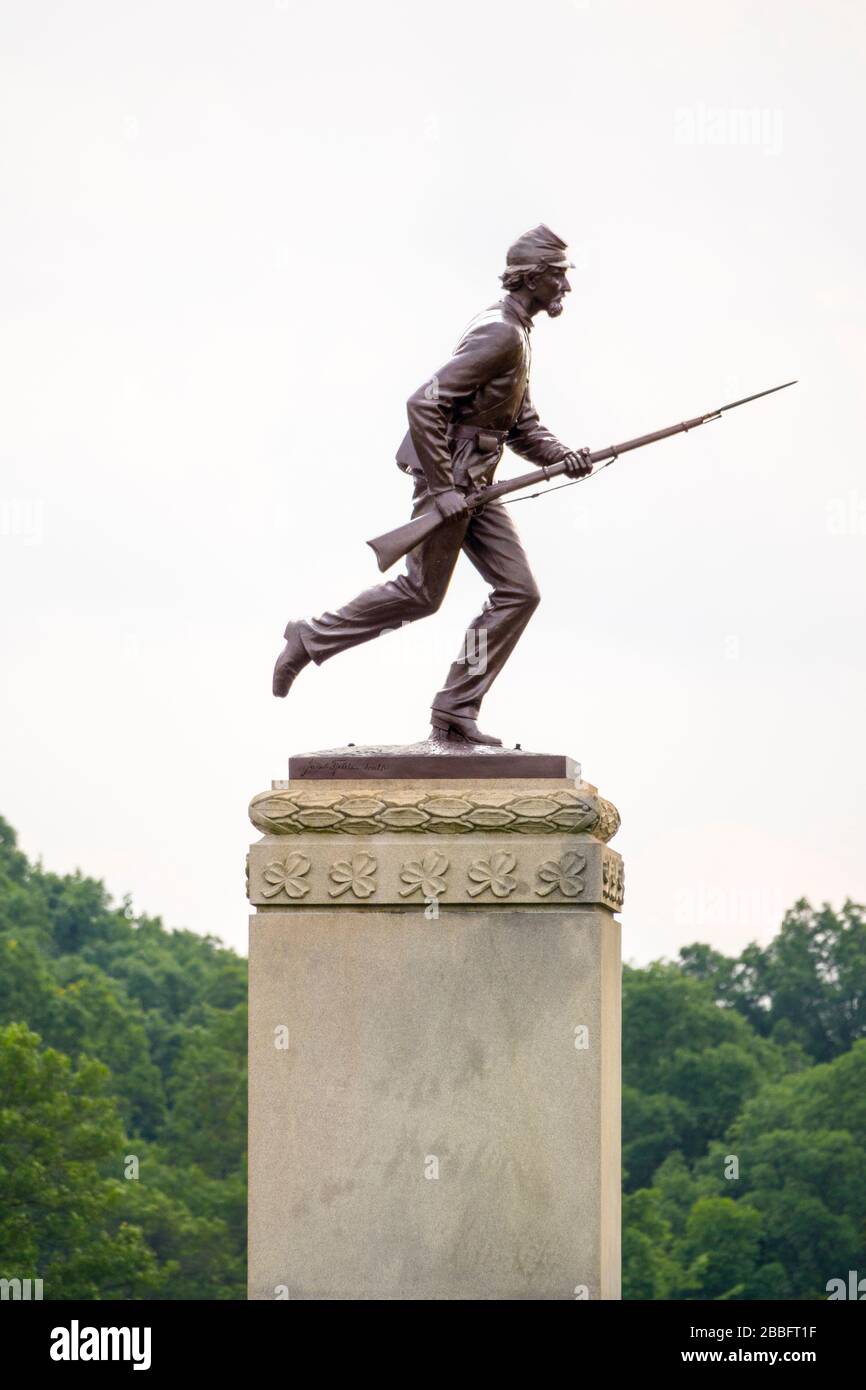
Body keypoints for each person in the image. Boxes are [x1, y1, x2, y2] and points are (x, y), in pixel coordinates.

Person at [272, 223, 592, 745]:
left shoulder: (518, 333)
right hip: (454, 480)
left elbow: (519, 423)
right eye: (559, 275)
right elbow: (424, 402)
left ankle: (454, 708)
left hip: (476, 485)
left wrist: (563, 457)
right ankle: (308, 637)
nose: (567, 287)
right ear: (533, 277)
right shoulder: (501, 333)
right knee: (421, 593)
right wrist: (444, 487)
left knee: (518, 592)